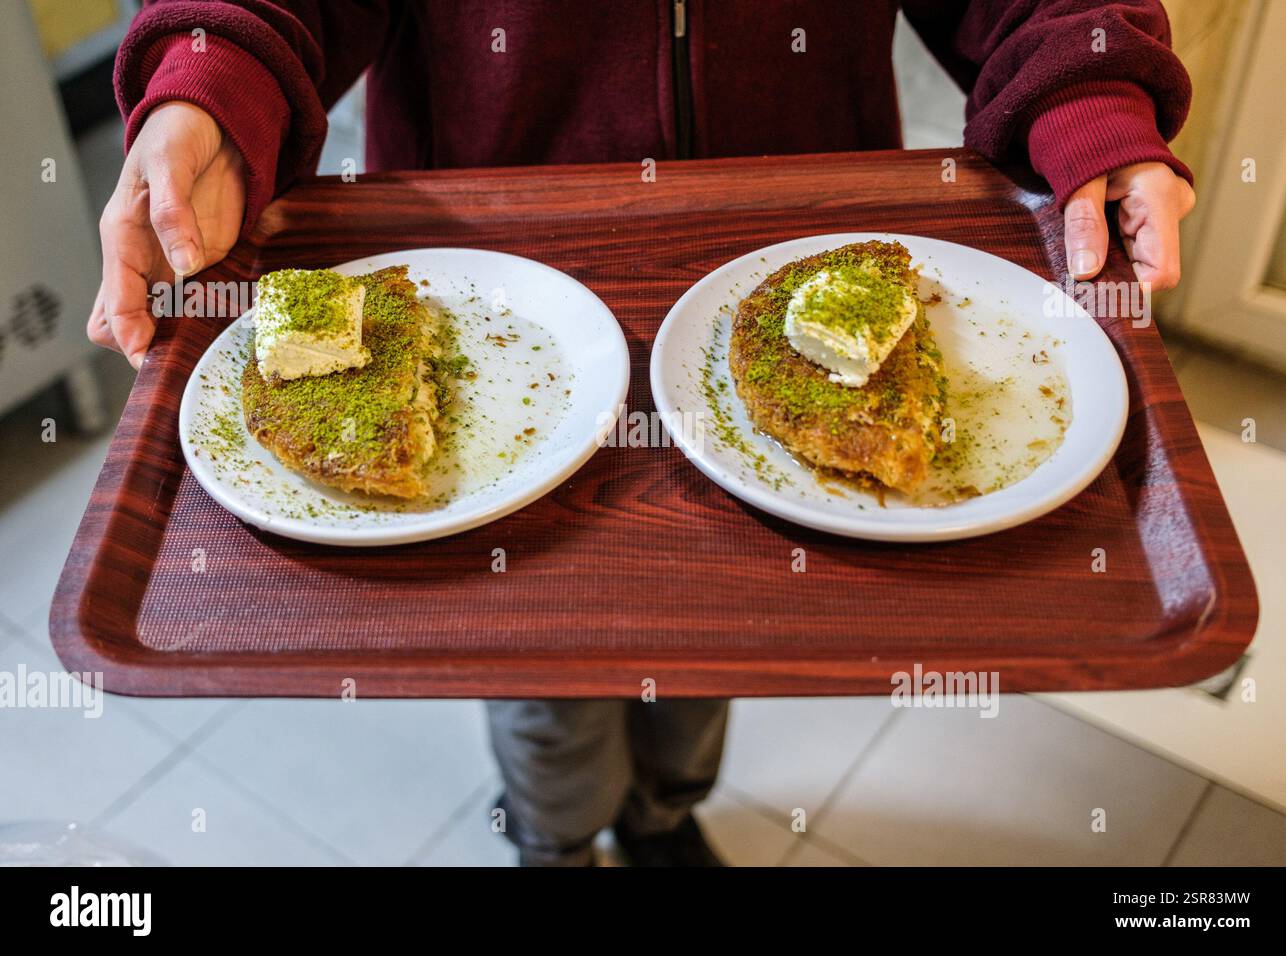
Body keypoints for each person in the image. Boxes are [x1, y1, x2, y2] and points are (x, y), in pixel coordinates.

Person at [90, 1, 1196, 867]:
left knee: (719, 634)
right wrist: (210, 84)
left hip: (776, 246)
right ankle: (552, 838)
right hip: (496, 258)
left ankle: (662, 817)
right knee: (541, 664)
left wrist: (1088, 92)